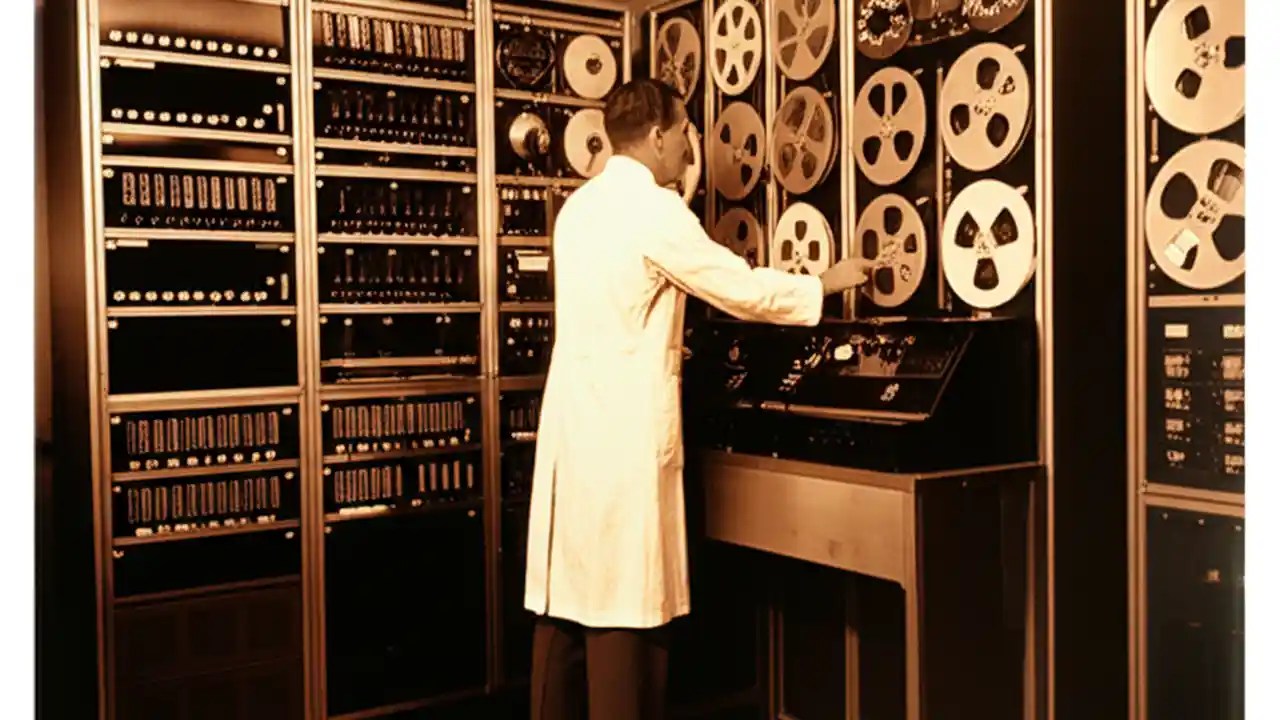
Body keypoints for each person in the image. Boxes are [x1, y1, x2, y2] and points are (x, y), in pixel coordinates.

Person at [524, 78, 870, 720]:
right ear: (657, 136)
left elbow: (616, 310)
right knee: (628, 618)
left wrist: (665, 348)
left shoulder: (579, 209)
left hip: (576, 439)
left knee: (566, 614)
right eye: (685, 131)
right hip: (622, 447)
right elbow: (736, 288)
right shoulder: (655, 213)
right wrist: (822, 283)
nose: (692, 144)